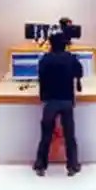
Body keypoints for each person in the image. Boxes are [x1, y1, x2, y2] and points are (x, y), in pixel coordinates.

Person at [33, 33, 84, 176]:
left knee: (46, 135)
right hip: (67, 100)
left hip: (50, 101)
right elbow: (79, 72)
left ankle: (40, 165)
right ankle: (72, 165)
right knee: (69, 135)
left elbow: (41, 78)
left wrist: (42, 95)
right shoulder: (71, 58)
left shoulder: (45, 59)